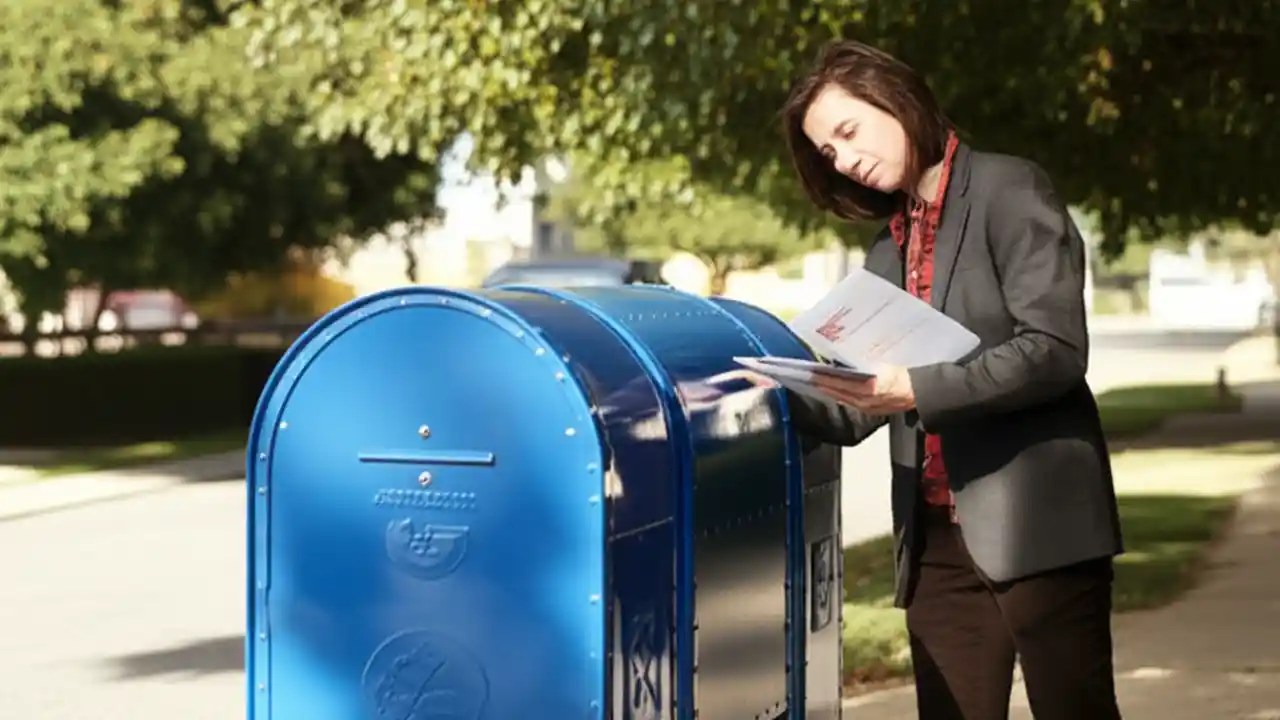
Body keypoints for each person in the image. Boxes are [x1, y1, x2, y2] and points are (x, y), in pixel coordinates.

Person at [770, 40, 1125, 719]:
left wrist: (919, 390)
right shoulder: (889, 244)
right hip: (935, 542)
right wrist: (769, 384)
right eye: (828, 154)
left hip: (1038, 526)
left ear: (896, 99)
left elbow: (1053, 348)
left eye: (847, 132)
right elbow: (859, 403)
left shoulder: (1009, 189)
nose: (844, 159)